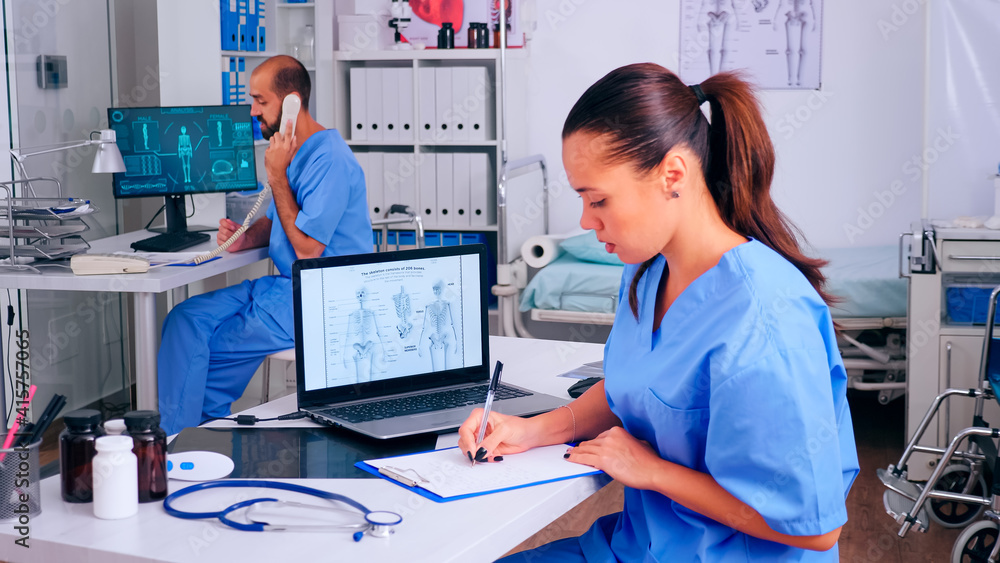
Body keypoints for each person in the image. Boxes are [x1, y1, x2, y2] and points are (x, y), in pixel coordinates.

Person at [458, 63, 859, 561]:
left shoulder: (765, 319)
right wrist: (529, 429)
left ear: (673, 175)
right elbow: (638, 390)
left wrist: (652, 471)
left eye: (598, 199)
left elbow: (814, 531)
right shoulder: (647, 272)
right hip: (637, 546)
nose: (586, 220)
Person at [157, 56, 372, 435]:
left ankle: (186, 443)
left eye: (260, 100)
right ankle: (177, 434)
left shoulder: (331, 160)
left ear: (292, 102)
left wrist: (276, 176)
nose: (253, 110)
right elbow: (278, 222)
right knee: (185, 319)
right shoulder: (294, 151)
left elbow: (307, 249)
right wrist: (244, 237)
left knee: (214, 350)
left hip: (322, 296)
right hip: (283, 287)